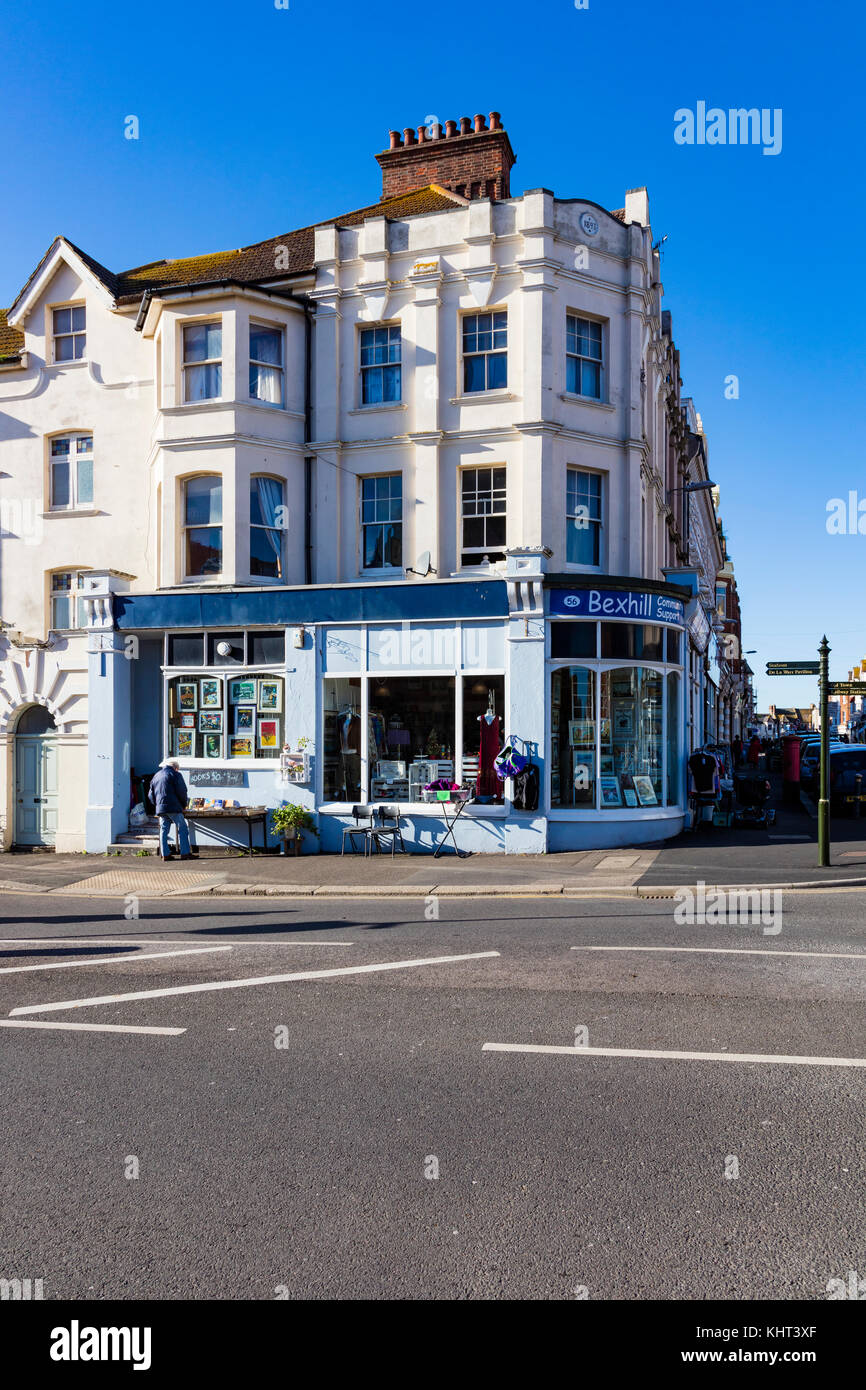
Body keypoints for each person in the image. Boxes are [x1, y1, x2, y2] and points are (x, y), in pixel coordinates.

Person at [147, 758, 192, 862]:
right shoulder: (176, 774)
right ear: (176, 768)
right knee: (183, 829)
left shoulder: (156, 775)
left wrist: (157, 805)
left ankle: (165, 854)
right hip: (174, 808)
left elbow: (150, 795)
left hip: (161, 809)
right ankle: (185, 853)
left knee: (163, 831)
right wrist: (184, 805)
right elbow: (182, 791)